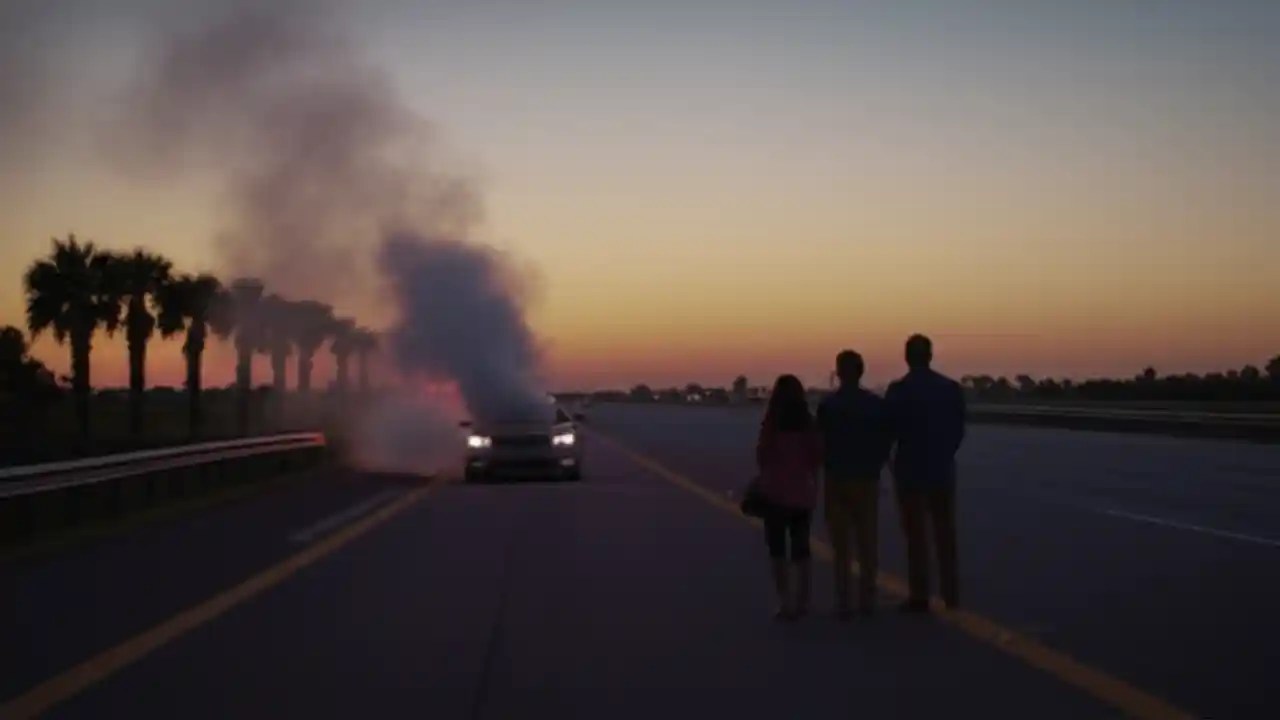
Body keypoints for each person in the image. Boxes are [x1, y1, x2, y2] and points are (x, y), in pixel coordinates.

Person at [884, 334, 966, 612]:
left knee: (916, 536)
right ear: (930, 355)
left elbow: (889, 430)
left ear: (907, 357)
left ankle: (920, 595)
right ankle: (951, 594)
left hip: (910, 468)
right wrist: (945, 453)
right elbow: (958, 430)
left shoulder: (898, 390)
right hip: (941, 467)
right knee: (945, 533)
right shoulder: (950, 388)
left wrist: (892, 461)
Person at [816, 350, 888, 619]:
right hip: (866, 479)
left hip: (837, 479)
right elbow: (885, 440)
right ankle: (867, 600)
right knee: (867, 542)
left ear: (839, 372)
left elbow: (819, 441)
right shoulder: (875, 405)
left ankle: (843, 600)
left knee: (841, 545)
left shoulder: (829, 405)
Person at [755, 374, 823, 621]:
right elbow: (816, 457)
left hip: (775, 494)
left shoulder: (771, 425)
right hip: (802, 495)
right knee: (801, 550)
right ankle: (803, 601)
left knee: (777, 551)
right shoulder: (809, 424)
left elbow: (761, 455)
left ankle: (786, 602)